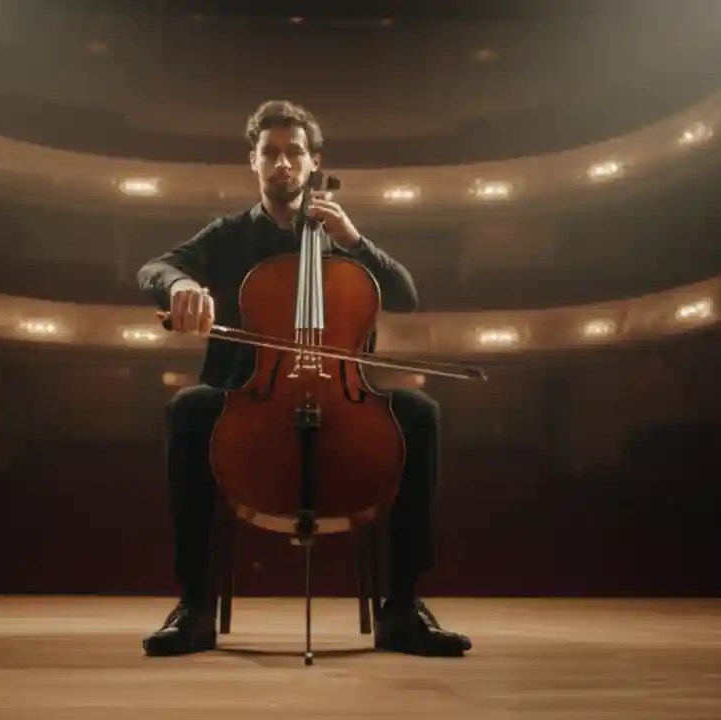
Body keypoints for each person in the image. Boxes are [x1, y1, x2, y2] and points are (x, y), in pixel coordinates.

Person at [135, 100, 471, 658]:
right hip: (246, 404)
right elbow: (154, 267)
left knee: (420, 415)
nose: (283, 164)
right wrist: (179, 288)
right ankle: (193, 606)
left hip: (341, 404)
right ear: (254, 162)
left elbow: (405, 296)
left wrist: (357, 241)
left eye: (295, 153)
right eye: (271, 153)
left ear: (314, 163)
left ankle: (404, 607)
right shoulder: (230, 234)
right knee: (189, 410)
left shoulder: (339, 240)